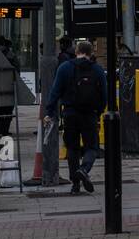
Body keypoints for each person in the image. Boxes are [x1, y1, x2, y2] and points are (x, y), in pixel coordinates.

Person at [46, 38, 107, 194]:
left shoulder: (65, 68)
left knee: (72, 148)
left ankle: (75, 185)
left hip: (70, 113)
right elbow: (105, 95)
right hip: (90, 114)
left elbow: (55, 92)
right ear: (90, 53)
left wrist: (50, 112)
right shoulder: (98, 70)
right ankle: (84, 169)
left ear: (77, 52)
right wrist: (98, 111)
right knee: (91, 147)